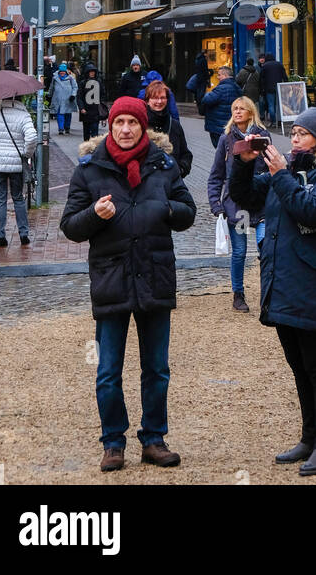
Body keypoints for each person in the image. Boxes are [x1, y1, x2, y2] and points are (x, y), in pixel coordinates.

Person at [60, 97, 196, 472]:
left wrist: (168, 209)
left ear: (142, 126)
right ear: (110, 126)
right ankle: (113, 443)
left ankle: (154, 439)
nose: (125, 129)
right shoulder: (89, 170)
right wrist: (93, 215)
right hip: (112, 280)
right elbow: (70, 226)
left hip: (154, 276)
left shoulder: (163, 165)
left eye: (132, 123)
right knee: (108, 372)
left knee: (156, 369)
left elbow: (188, 211)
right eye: (119, 122)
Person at [229, 108, 316, 477]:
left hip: (315, 284)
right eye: (293, 132)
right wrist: (246, 164)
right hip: (283, 282)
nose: (294, 138)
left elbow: (312, 211)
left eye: (301, 133)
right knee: (299, 366)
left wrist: (280, 172)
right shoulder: (289, 169)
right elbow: (246, 198)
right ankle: (309, 438)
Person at [207, 96, 271, 312]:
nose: (238, 111)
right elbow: (216, 174)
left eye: (242, 108)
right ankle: (238, 293)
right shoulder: (227, 140)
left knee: (267, 248)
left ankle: (269, 295)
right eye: (235, 108)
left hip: (261, 205)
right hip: (239, 206)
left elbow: (274, 167)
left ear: (251, 112)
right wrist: (216, 203)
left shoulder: (264, 137)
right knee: (240, 251)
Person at [0, 99, 37, 248]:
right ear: (20, 101)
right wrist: (26, 153)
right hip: (15, 163)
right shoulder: (24, 116)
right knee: (18, 198)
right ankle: (23, 233)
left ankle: (0, 235)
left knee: (0, 199)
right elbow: (32, 137)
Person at [143, 82, 192, 178]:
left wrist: (181, 169)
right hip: (147, 182)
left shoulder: (174, 125)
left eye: (162, 98)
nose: (159, 101)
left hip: (171, 182)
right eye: (155, 98)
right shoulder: (140, 124)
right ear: (147, 101)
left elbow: (186, 154)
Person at [200, 65, 244, 148]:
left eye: (219, 75)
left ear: (225, 76)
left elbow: (207, 100)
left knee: (221, 149)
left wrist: (207, 94)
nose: (217, 77)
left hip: (218, 126)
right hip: (231, 125)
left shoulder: (220, 89)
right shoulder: (237, 88)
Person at [259, 51, 289, 128]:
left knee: (271, 105)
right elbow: (284, 76)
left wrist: (262, 89)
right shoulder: (279, 64)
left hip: (269, 89)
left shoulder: (265, 66)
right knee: (278, 105)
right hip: (279, 88)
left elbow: (261, 79)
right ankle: (279, 120)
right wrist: (286, 84)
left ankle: (273, 120)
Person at [77, 62, 105, 142]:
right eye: (90, 72)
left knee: (95, 131)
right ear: (87, 73)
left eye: (93, 72)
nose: (92, 73)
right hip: (86, 110)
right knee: (86, 132)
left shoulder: (99, 82)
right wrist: (81, 107)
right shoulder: (83, 83)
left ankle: (93, 148)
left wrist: (102, 108)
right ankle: (87, 147)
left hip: (95, 110)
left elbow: (102, 95)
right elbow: (79, 96)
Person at [50, 61, 79, 136]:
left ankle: (67, 127)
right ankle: (61, 128)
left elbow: (75, 87)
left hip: (68, 99)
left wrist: (73, 95)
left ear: (65, 71)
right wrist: (49, 95)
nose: (62, 73)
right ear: (59, 71)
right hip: (58, 99)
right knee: (60, 114)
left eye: (63, 72)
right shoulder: (55, 78)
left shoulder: (71, 78)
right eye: (61, 72)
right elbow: (52, 87)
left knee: (67, 114)